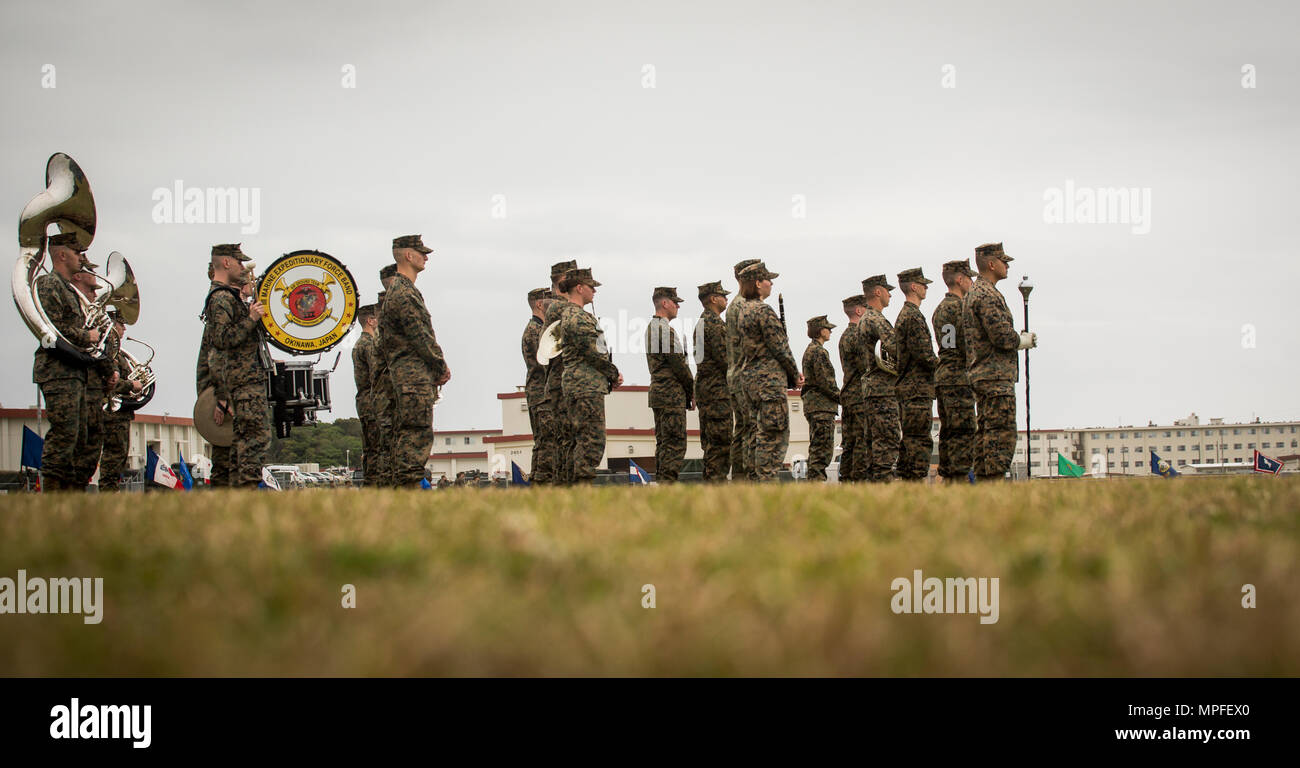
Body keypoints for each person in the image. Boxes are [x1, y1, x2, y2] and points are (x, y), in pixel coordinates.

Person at [379, 235, 450, 488]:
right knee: (415, 436)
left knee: (408, 435)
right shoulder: (404, 292)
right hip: (412, 377)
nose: (426, 257)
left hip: (406, 376)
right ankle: (408, 491)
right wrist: (440, 366)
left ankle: (403, 490)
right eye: (421, 253)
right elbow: (420, 335)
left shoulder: (401, 289)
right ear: (408, 256)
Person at [963, 243, 1036, 481]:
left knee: (986, 433)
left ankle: (985, 483)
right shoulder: (986, 294)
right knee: (1000, 434)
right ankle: (992, 481)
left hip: (985, 374)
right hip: (995, 376)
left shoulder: (977, 292)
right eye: (1004, 261)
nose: (1007, 266)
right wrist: (1022, 340)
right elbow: (1001, 336)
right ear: (991, 264)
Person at [34, 233, 98, 491]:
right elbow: (55, 330)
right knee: (64, 436)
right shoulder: (49, 284)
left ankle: (69, 500)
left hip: (73, 372)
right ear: (62, 254)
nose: (81, 258)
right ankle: (51, 498)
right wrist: (89, 336)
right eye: (77, 252)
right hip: (58, 372)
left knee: (78, 439)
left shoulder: (65, 288)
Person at [206, 243, 270, 488]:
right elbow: (222, 340)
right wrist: (251, 318)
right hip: (242, 383)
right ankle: (247, 492)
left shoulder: (228, 297)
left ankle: (241, 493)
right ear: (226, 263)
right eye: (240, 262)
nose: (243, 268)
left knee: (246, 443)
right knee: (254, 441)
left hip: (244, 381)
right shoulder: (221, 298)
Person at [736, 262, 802, 482]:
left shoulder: (743, 310)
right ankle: (767, 481)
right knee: (773, 434)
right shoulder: (764, 310)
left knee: (756, 431)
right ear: (757, 283)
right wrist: (795, 374)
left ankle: (755, 480)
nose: (771, 283)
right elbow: (780, 347)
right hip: (768, 380)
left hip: (751, 379)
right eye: (767, 279)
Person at [559, 268, 621, 484]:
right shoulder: (578, 317)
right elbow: (594, 351)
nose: (594, 291)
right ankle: (581, 486)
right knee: (591, 440)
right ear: (579, 288)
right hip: (586, 386)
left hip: (579, 384)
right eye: (591, 287)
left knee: (578, 440)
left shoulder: (569, 314)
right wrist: (613, 373)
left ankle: (572, 487)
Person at [932, 259, 976, 482]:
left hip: (944, 377)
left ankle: (948, 478)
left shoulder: (940, 309)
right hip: (959, 377)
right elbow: (969, 344)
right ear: (960, 280)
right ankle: (959, 480)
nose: (972, 283)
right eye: (970, 278)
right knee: (963, 432)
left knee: (948, 432)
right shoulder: (962, 307)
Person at [893, 267, 939, 481]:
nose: (926, 287)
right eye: (923, 284)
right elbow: (924, 355)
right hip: (916, 389)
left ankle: (907, 483)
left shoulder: (908, 315)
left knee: (911, 440)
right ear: (913, 287)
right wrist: (944, 367)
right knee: (918, 441)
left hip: (911, 388)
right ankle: (914, 482)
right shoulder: (912, 316)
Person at [71, 263, 115, 486]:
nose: (95, 296)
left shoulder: (87, 312)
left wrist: (111, 372)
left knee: (91, 449)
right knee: (76, 446)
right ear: (78, 278)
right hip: (80, 384)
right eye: (91, 291)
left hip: (93, 386)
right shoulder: (72, 305)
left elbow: (104, 351)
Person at [646, 286, 694, 484]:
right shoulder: (663, 330)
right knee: (674, 444)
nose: (677, 307)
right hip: (670, 395)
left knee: (664, 444)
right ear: (664, 303)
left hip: (660, 394)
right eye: (675, 303)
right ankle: (667, 484)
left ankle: (663, 483)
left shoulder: (653, 327)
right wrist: (692, 389)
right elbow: (678, 364)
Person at [541, 260, 579, 484]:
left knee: (564, 440)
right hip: (563, 382)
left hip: (559, 382)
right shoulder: (561, 308)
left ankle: (563, 485)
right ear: (565, 281)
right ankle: (566, 485)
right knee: (568, 440)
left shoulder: (554, 307)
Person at [859, 274, 900, 483]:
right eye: (887, 290)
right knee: (887, 441)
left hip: (871, 389)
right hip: (883, 389)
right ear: (878, 292)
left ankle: (874, 486)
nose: (890, 294)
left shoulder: (865, 319)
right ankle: (883, 486)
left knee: (874, 444)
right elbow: (895, 348)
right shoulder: (876, 319)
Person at [197, 262, 233, 487]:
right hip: (222, 391)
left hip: (227, 389)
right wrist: (222, 396)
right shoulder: (221, 300)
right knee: (225, 462)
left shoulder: (226, 301)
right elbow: (219, 350)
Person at [725, 258, 761, 479]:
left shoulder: (735, 305)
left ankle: (740, 477)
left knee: (743, 429)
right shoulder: (742, 306)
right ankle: (747, 476)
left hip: (736, 374)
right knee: (750, 429)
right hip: (744, 374)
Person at [693, 281, 732, 482]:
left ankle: (711, 485)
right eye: (722, 296)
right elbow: (725, 359)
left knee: (711, 445)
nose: (726, 299)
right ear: (713, 299)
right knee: (720, 444)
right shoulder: (714, 324)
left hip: (707, 390)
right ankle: (716, 487)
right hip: (717, 393)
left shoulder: (701, 323)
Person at [99, 311, 140, 491]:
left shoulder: (117, 353)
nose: (124, 329)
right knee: (113, 455)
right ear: (111, 324)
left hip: (121, 414)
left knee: (120, 455)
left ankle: (111, 489)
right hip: (112, 414)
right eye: (120, 324)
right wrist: (131, 384)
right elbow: (109, 382)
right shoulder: (109, 351)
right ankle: (108, 491)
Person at [800, 315, 840, 481]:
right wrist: (842, 398)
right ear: (820, 331)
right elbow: (826, 382)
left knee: (818, 447)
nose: (830, 331)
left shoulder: (811, 350)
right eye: (827, 328)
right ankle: (815, 483)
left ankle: (814, 481)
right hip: (821, 407)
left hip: (816, 406)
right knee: (822, 449)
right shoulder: (818, 352)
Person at [521, 287, 553, 484]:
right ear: (539, 304)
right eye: (548, 299)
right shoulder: (535, 331)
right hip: (540, 394)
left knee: (545, 443)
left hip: (541, 393)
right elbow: (545, 362)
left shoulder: (539, 329)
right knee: (545, 445)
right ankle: (540, 484)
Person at [371, 264, 399, 486]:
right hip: (387, 393)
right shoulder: (382, 334)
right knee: (390, 444)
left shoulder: (379, 334)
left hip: (385, 392)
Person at [837, 294, 868, 482]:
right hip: (858, 396)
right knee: (861, 442)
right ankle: (859, 481)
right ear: (859, 310)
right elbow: (865, 365)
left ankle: (846, 480)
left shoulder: (844, 336)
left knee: (848, 443)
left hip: (849, 395)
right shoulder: (858, 335)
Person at [352, 303, 380, 486]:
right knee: (376, 448)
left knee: (370, 448)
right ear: (370, 321)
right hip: (371, 401)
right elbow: (377, 374)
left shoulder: (360, 344)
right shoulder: (368, 345)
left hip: (365, 400)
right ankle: (375, 484)